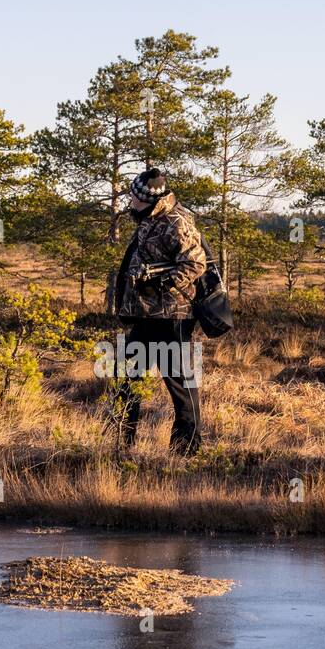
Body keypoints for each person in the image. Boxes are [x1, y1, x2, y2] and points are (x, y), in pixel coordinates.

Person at [112, 167, 208, 455]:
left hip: (172, 318)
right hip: (146, 315)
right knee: (127, 376)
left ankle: (187, 449)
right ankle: (121, 443)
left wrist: (162, 282)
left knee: (180, 384)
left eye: (134, 197)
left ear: (148, 199)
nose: (130, 202)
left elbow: (195, 263)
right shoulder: (148, 220)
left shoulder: (177, 222)